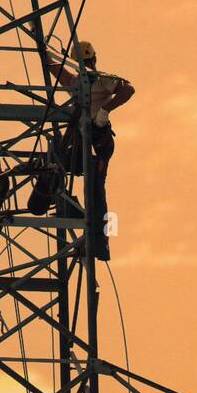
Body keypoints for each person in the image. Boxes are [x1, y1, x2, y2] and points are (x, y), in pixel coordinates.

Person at [47, 39, 135, 261]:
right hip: (81, 143)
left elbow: (128, 89)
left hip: (98, 141)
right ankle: (68, 205)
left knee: (95, 191)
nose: (88, 66)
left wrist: (105, 110)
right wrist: (38, 38)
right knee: (54, 163)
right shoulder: (75, 81)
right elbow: (53, 67)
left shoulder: (103, 79)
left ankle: (100, 243)